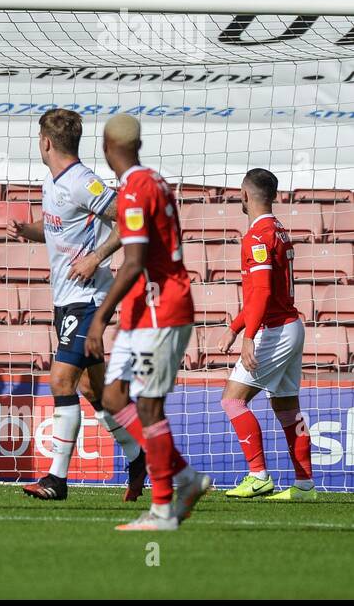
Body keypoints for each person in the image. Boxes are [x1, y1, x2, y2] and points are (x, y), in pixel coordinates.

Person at [7, 109, 147, 502]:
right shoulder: (52, 182)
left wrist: (97, 256)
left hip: (88, 300)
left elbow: (130, 218)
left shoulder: (83, 182)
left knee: (60, 381)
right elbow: (58, 231)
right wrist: (28, 231)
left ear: (46, 142)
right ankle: (139, 456)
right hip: (65, 298)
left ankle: (56, 479)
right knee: (95, 391)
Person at [83, 115, 212, 531]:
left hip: (161, 312)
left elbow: (135, 260)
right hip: (143, 312)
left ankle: (161, 511)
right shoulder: (153, 181)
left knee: (149, 405)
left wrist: (100, 317)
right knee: (115, 397)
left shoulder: (136, 189)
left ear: (106, 147)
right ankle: (185, 478)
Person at [218, 168, 314, 502]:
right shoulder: (280, 231)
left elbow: (259, 293)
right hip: (292, 326)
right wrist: (234, 327)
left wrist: (248, 336)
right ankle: (304, 486)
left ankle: (258, 476)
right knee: (287, 408)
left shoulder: (257, 237)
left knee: (232, 399)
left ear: (245, 195)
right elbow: (268, 292)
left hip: (274, 330)